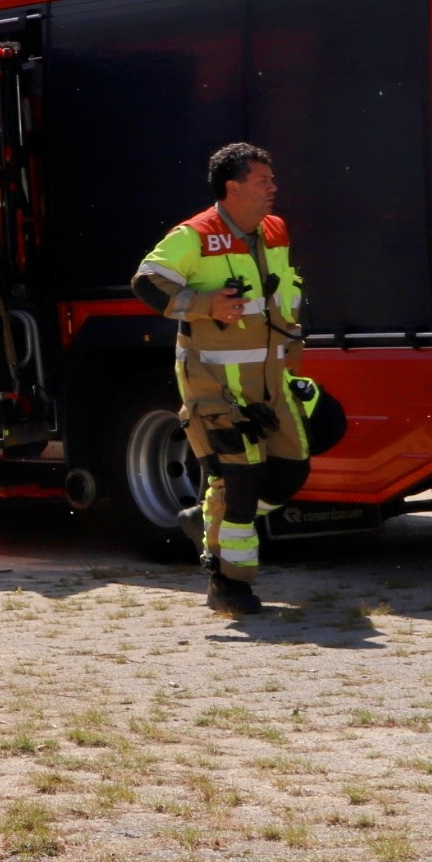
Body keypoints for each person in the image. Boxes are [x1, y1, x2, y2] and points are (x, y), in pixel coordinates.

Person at [131, 143, 310, 617]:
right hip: (216, 382)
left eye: (272, 180)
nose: (273, 188)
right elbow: (147, 282)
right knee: (243, 477)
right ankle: (230, 586)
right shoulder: (194, 234)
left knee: (292, 469)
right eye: (263, 180)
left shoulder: (275, 230)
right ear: (233, 188)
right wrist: (206, 305)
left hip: (270, 378)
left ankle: (208, 520)